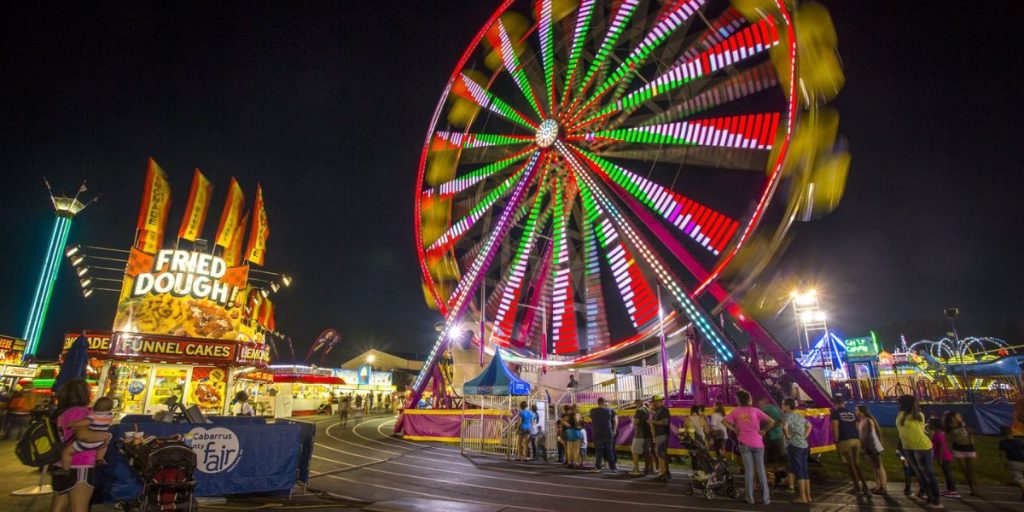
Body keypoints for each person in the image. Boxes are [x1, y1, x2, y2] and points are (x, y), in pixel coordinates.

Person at [51, 379, 110, 512]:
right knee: (79, 508)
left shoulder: (62, 413)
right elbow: (83, 436)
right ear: (84, 394)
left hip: (63, 464)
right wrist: (105, 436)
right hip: (80, 465)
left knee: (58, 506)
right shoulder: (80, 412)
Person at [723, 389, 774, 505]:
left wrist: (734, 429)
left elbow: (724, 421)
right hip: (758, 443)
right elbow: (771, 421)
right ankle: (766, 499)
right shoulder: (756, 411)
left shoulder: (735, 412)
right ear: (749, 399)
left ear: (738, 400)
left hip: (744, 443)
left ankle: (749, 498)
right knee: (761, 470)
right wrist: (764, 430)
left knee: (749, 471)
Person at [896, 394, 941, 509]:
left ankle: (937, 500)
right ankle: (929, 496)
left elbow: (916, 430)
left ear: (905, 404)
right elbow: (901, 432)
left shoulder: (919, 415)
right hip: (908, 448)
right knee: (919, 474)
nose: (898, 405)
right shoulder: (900, 415)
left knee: (928, 473)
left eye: (900, 403)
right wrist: (899, 448)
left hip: (922, 447)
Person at [831, 395, 869, 495]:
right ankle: (865, 487)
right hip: (856, 440)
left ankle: (857, 488)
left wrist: (836, 441)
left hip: (845, 440)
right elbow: (856, 427)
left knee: (850, 465)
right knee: (857, 464)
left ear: (835, 404)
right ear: (843, 403)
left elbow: (835, 428)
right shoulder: (851, 413)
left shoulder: (835, 413)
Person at [61, 397, 114, 468]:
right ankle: (99, 459)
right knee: (104, 447)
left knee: (66, 452)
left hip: (86, 445)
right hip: (100, 442)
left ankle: (65, 469)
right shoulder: (109, 415)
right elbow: (107, 404)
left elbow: (84, 424)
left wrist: (73, 424)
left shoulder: (93, 416)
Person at [781, 398, 812, 503]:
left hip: (794, 446)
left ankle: (802, 497)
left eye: (783, 405)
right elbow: (809, 425)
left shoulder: (787, 416)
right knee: (804, 470)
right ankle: (808, 496)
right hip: (804, 445)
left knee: (799, 471)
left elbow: (784, 427)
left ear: (788, 406)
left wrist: (788, 436)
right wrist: (804, 436)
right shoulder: (799, 415)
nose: (782, 406)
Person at [943, 411, 978, 496]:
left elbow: (970, 432)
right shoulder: (949, 428)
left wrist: (971, 439)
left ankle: (975, 485)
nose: (960, 416)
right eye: (958, 415)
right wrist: (950, 449)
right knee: (965, 470)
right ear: (952, 417)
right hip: (958, 450)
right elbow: (948, 440)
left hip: (969, 449)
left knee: (971, 470)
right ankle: (972, 488)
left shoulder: (962, 424)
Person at [856, 405, 887, 495]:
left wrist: (861, 445)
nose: (855, 411)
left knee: (879, 467)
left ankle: (883, 486)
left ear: (862, 411)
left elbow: (866, 435)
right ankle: (877, 485)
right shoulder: (861, 421)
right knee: (874, 468)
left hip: (873, 446)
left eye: (857, 410)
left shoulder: (868, 420)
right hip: (866, 447)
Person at [758, 397, 786, 487]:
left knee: (771, 459)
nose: (759, 404)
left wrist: (767, 429)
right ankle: (777, 478)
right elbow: (781, 419)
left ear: (765, 401)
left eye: (760, 402)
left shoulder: (766, 409)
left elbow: (779, 421)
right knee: (775, 459)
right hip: (777, 436)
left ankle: (775, 478)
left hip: (773, 437)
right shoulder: (774, 408)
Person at [930, 416, 958, 497]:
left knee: (948, 473)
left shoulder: (939, 434)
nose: (929, 425)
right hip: (943, 456)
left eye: (930, 423)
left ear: (935, 425)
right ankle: (950, 489)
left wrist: (940, 459)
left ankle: (953, 490)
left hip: (944, 456)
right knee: (946, 473)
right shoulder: (936, 433)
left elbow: (941, 446)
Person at [589, 397, 618, 472]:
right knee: (609, 451)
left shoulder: (592, 411)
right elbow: (615, 420)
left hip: (597, 433)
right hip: (607, 432)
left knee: (598, 451)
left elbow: (592, 419)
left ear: (598, 402)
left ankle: (598, 467)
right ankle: (613, 467)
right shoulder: (609, 410)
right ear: (604, 402)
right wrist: (614, 431)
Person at [996, 425, 1024, 500]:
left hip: (1013, 462)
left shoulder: (1002, 443)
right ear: (1011, 433)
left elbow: (1002, 454)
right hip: (1022, 460)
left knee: (1020, 479)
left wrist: (1003, 463)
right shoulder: (1020, 441)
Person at [649, 395, 671, 481]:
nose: (654, 403)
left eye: (654, 402)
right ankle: (665, 472)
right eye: (653, 402)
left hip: (662, 434)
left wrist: (652, 421)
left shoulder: (664, 409)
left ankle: (663, 473)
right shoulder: (659, 410)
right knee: (661, 454)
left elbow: (665, 422)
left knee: (660, 453)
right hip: (660, 434)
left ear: (659, 401)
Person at [630, 399, 653, 476]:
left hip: (640, 434)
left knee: (634, 451)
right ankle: (649, 468)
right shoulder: (648, 409)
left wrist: (632, 420)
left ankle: (636, 469)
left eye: (635, 404)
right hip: (648, 433)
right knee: (647, 452)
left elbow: (636, 422)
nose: (635, 405)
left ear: (638, 403)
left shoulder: (639, 410)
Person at [685, 405, 707, 470]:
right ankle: (702, 471)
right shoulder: (701, 418)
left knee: (694, 456)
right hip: (701, 440)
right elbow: (706, 430)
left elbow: (686, 431)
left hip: (692, 440)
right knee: (702, 457)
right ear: (698, 411)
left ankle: (695, 471)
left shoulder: (687, 419)